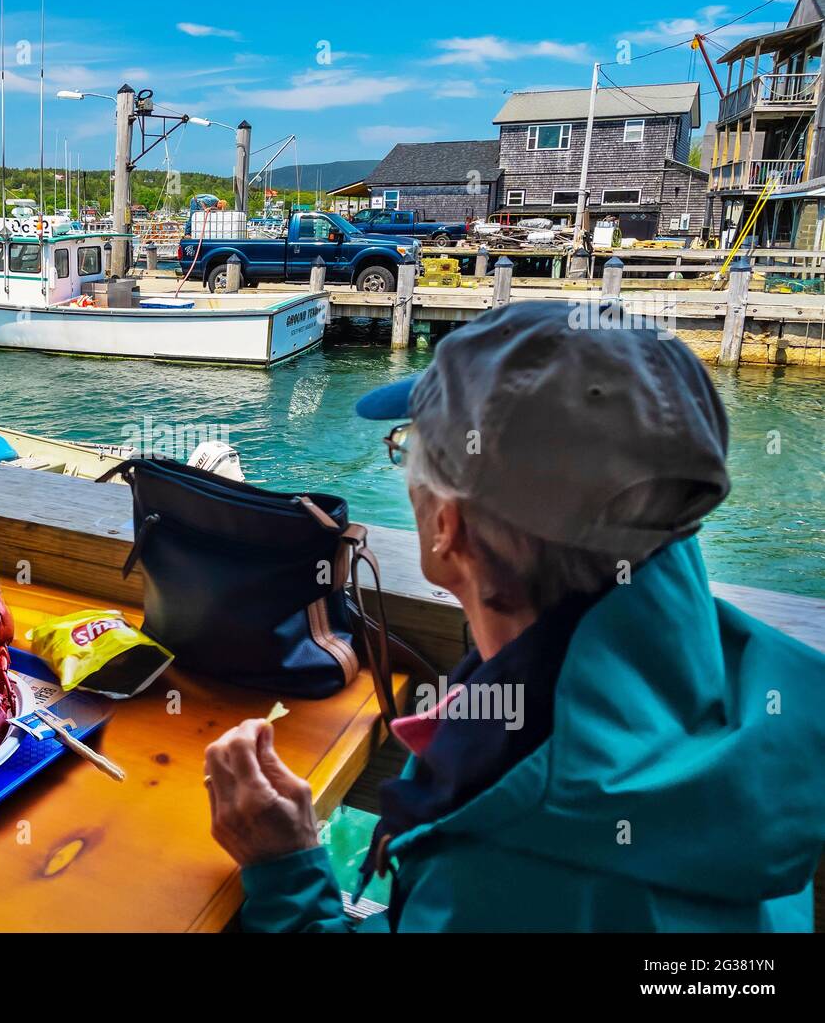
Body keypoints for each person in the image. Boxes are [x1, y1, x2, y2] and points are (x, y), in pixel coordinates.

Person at [203, 299, 825, 932]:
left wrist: (285, 871)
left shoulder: (497, 871)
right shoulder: (750, 687)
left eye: (409, 448)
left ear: (451, 526)